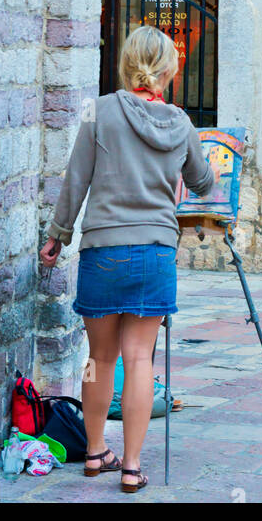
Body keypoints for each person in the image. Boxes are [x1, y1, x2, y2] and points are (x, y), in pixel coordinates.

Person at [39, 25, 214, 492]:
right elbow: (204, 184)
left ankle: (95, 452)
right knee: (139, 360)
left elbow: (76, 180)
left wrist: (57, 236)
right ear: (170, 69)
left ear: (125, 61)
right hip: (155, 252)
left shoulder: (101, 111)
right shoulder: (180, 122)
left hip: (103, 251)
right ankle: (133, 467)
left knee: (98, 358)